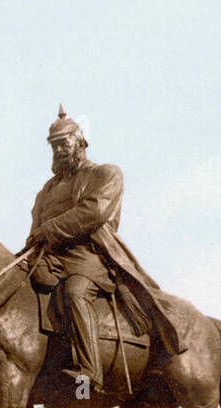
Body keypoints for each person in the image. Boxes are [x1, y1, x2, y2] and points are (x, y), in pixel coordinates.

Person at [25, 107, 186, 393]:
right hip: (49, 258)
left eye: (64, 143)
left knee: (75, 292)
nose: (60, 149)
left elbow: (94, 212)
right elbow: (36, 229)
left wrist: (49, 231)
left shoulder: (105, 174)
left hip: (90, 256)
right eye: (54, 145)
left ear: (80, 141)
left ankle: (89, 372)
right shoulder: (46, 191)